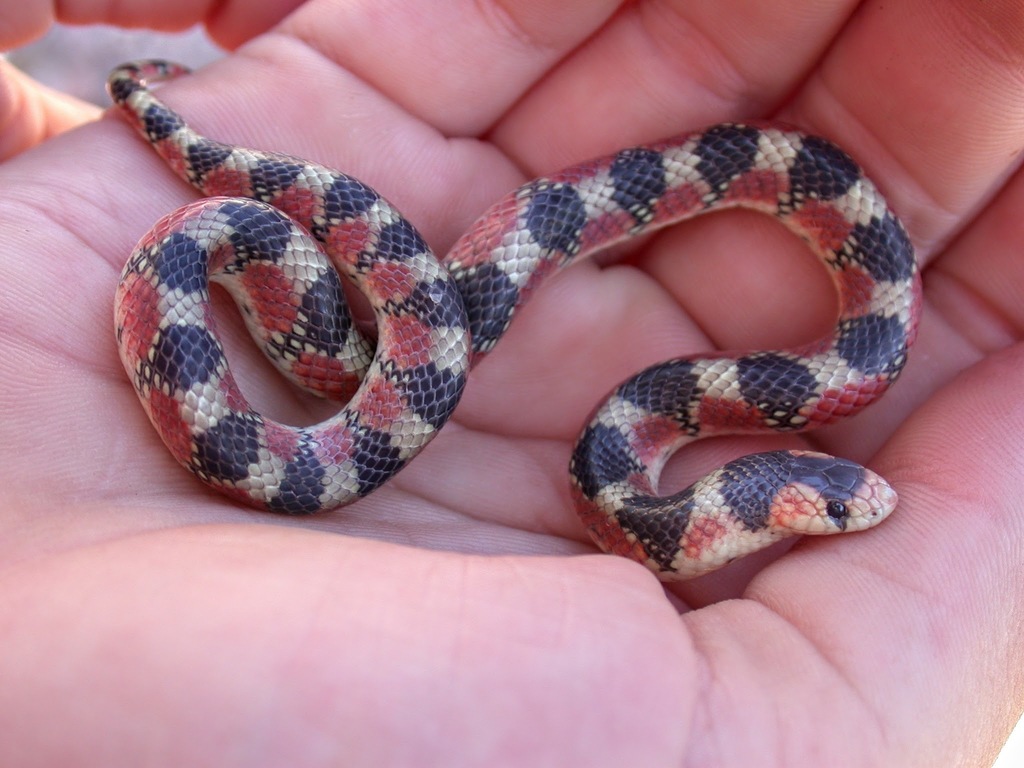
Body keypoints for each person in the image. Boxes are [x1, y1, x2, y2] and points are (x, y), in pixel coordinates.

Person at [1, 1, 1022, 764]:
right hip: (256, 289)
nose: (859, 503)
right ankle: (201, 164)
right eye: (833, 507)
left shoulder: (644, 440)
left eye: (832, 508)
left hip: (364, 361)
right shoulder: (646, 438)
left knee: (379, 313)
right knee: (296, 270)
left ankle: (184, 140)